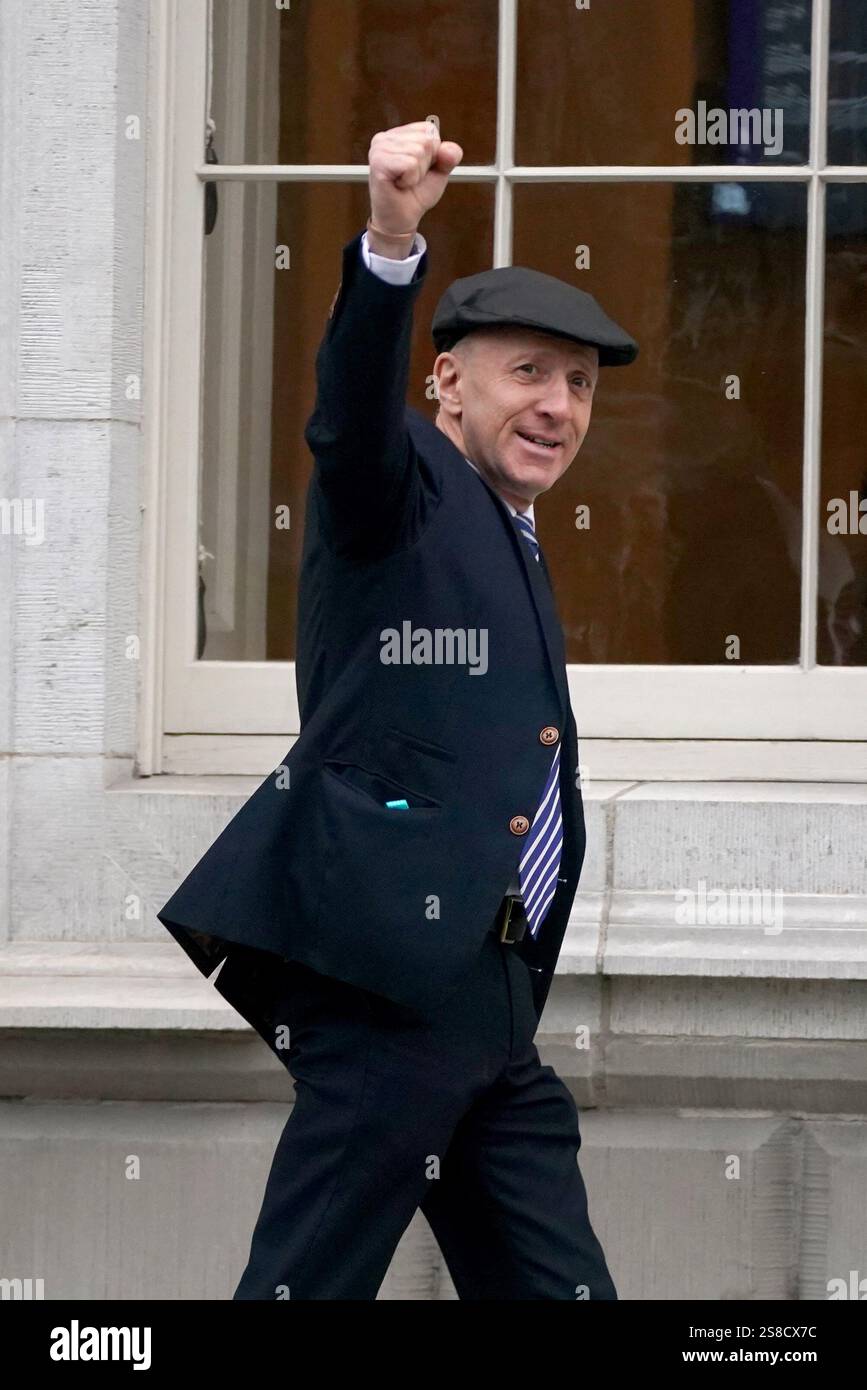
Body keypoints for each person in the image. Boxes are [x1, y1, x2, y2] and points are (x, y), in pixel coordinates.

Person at [157, 119, 638, 1300]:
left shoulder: (515, 539)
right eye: (528, 371)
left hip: (490, 1004)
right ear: (447, 382)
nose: (560, 405)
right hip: (388, 989)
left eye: (578, 385)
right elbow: (345, 419)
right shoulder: (403, 486)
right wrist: (388, 238)